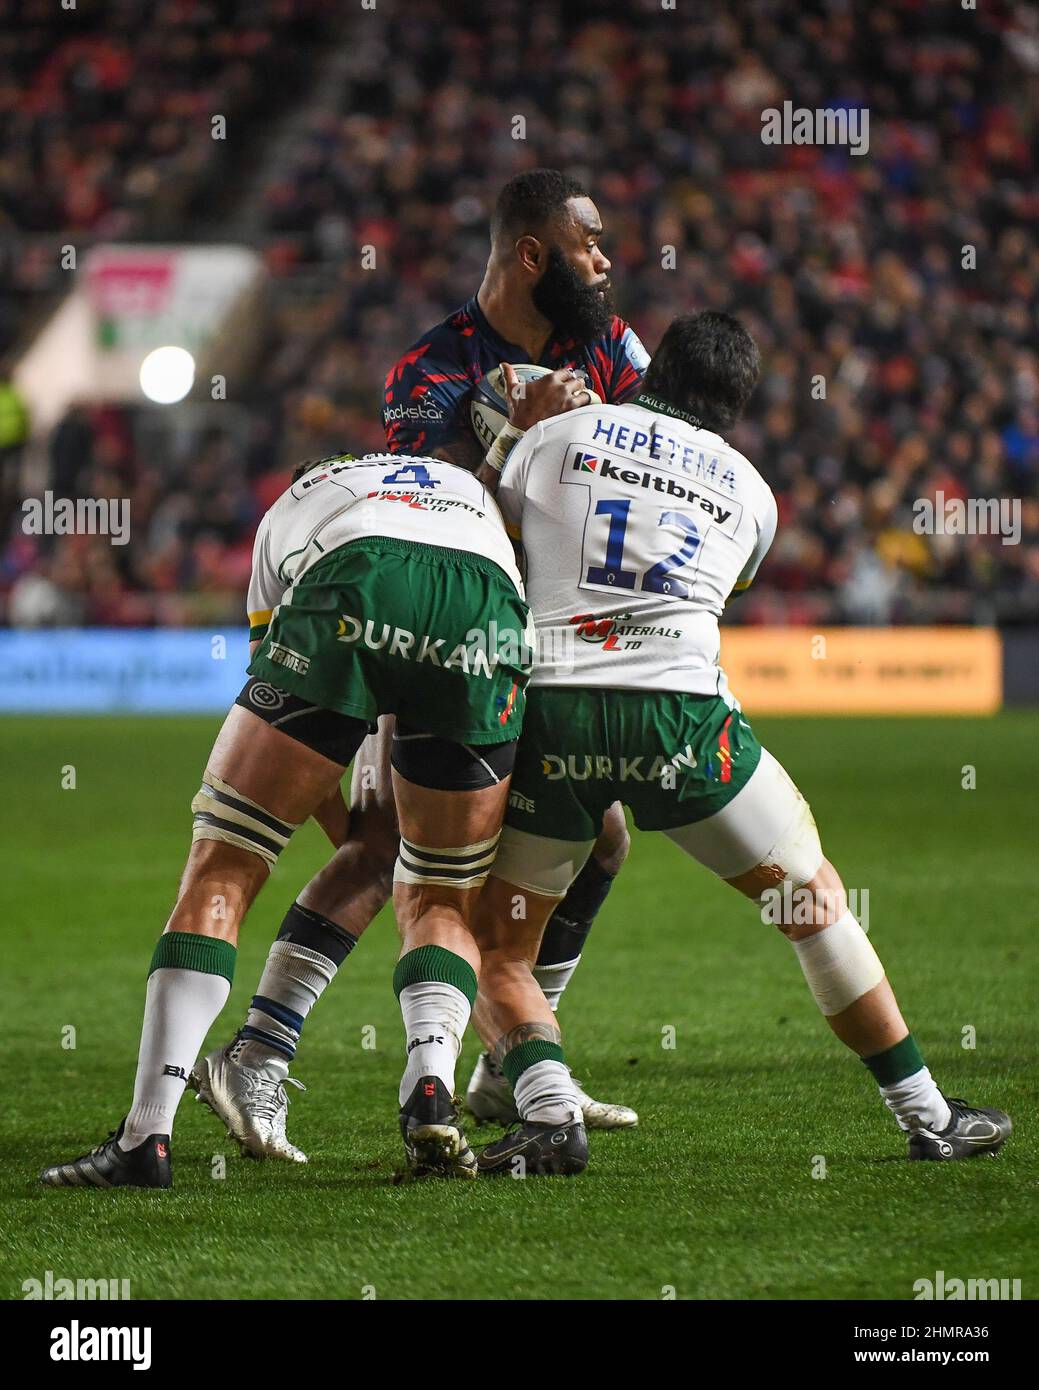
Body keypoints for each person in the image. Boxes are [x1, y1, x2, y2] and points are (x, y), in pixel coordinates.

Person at [466, 312, 1011, 1175]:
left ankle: (544, 1106)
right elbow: (725, 578)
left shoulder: (555, 434)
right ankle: (927, 1114)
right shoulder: (752, 489)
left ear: (648, 370)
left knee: (499, 946)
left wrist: (507, 443)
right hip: (681, 717)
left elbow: (494, 542)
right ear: (737, 406)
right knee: (810, 903)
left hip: (553, 711)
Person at [200, 169, 649, 1160]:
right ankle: (257, 1052)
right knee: (381, 840)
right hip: (455, 625)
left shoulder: (613, 353)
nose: (608, 262)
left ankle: (501, 1070)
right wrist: (522, 440)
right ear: (533, 253)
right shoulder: (432, 368)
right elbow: (434, 521)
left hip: (552, 633)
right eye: (592, 243)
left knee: (603, 836)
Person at [41, 451, 532, 1186]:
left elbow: (288, 688)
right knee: (440, 892)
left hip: (355, 575)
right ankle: (430, 1084)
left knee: (225, 867)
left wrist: (343, 832)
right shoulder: (464, 488)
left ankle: (147, 1138)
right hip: (485, 602)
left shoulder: (292, 505)